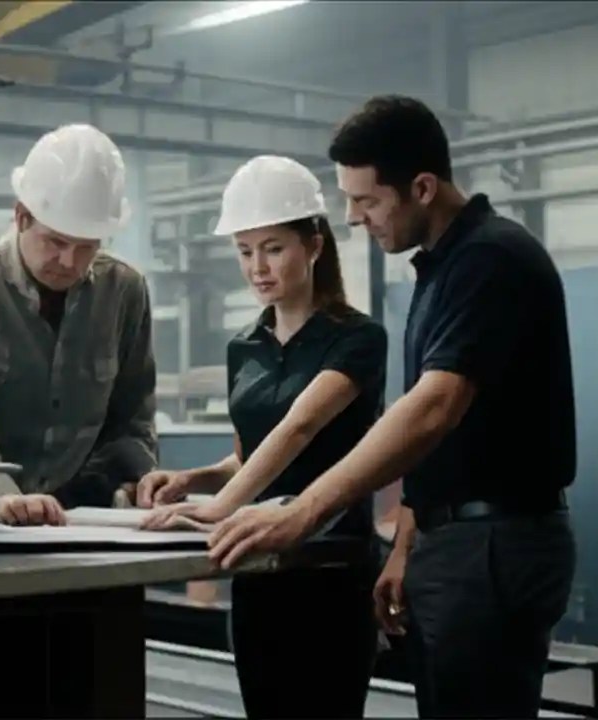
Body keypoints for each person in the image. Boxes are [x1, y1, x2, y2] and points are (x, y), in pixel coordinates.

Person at [202, 96, 579, 719]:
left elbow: (433, 409)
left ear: (423, 187)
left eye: (367, 201)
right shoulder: (442, 271)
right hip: (453, 538)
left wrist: (304, 512)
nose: (353, 218)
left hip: (492, 544)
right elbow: (437, 441)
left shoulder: (489, 258)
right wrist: (407, 544)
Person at [0, 123, 159, 718]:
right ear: (20, 214)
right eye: (56, 242)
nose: (70, 262)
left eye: (88, 246)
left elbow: (131, 417)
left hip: (78, 525)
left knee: (95, 695)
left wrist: (142, 479)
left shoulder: (125, 293)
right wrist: (3, 500)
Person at [136, 155, 388, 719]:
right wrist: (195, 480)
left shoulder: (358, 338)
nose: (258, 267)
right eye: (245, 251)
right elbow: (250, 455)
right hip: (257, 567)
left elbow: (300, 427)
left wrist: (217, 506)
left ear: (315, 244)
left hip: (329, 569)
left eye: (273, 247)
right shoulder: (243, 347)